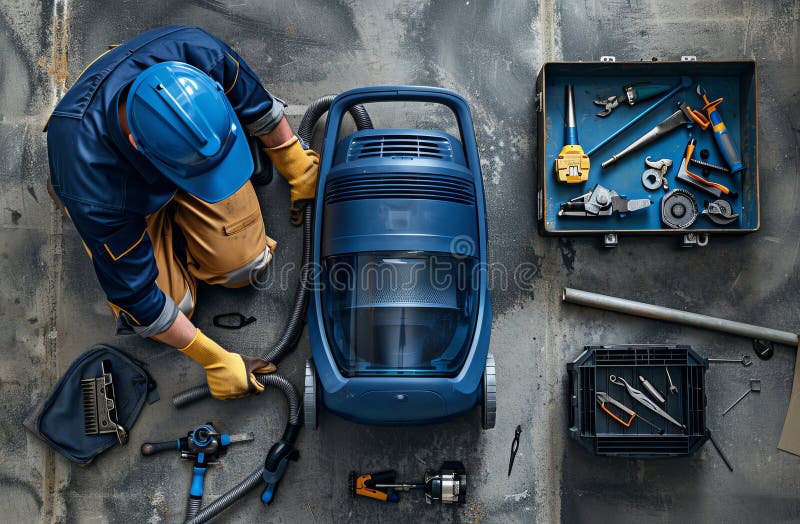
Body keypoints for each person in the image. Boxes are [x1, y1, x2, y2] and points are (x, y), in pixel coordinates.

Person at [45, 26, 318, 400]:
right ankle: (155, 233)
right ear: (137, 145)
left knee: (245, 267)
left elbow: (257, 106)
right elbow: (141, 300)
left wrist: (292, 157)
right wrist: (213, 358)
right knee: (176, 310)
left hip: (177, 161)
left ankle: (185, 229)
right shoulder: (92, 184)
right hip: (123, 199)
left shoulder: (196, 55)